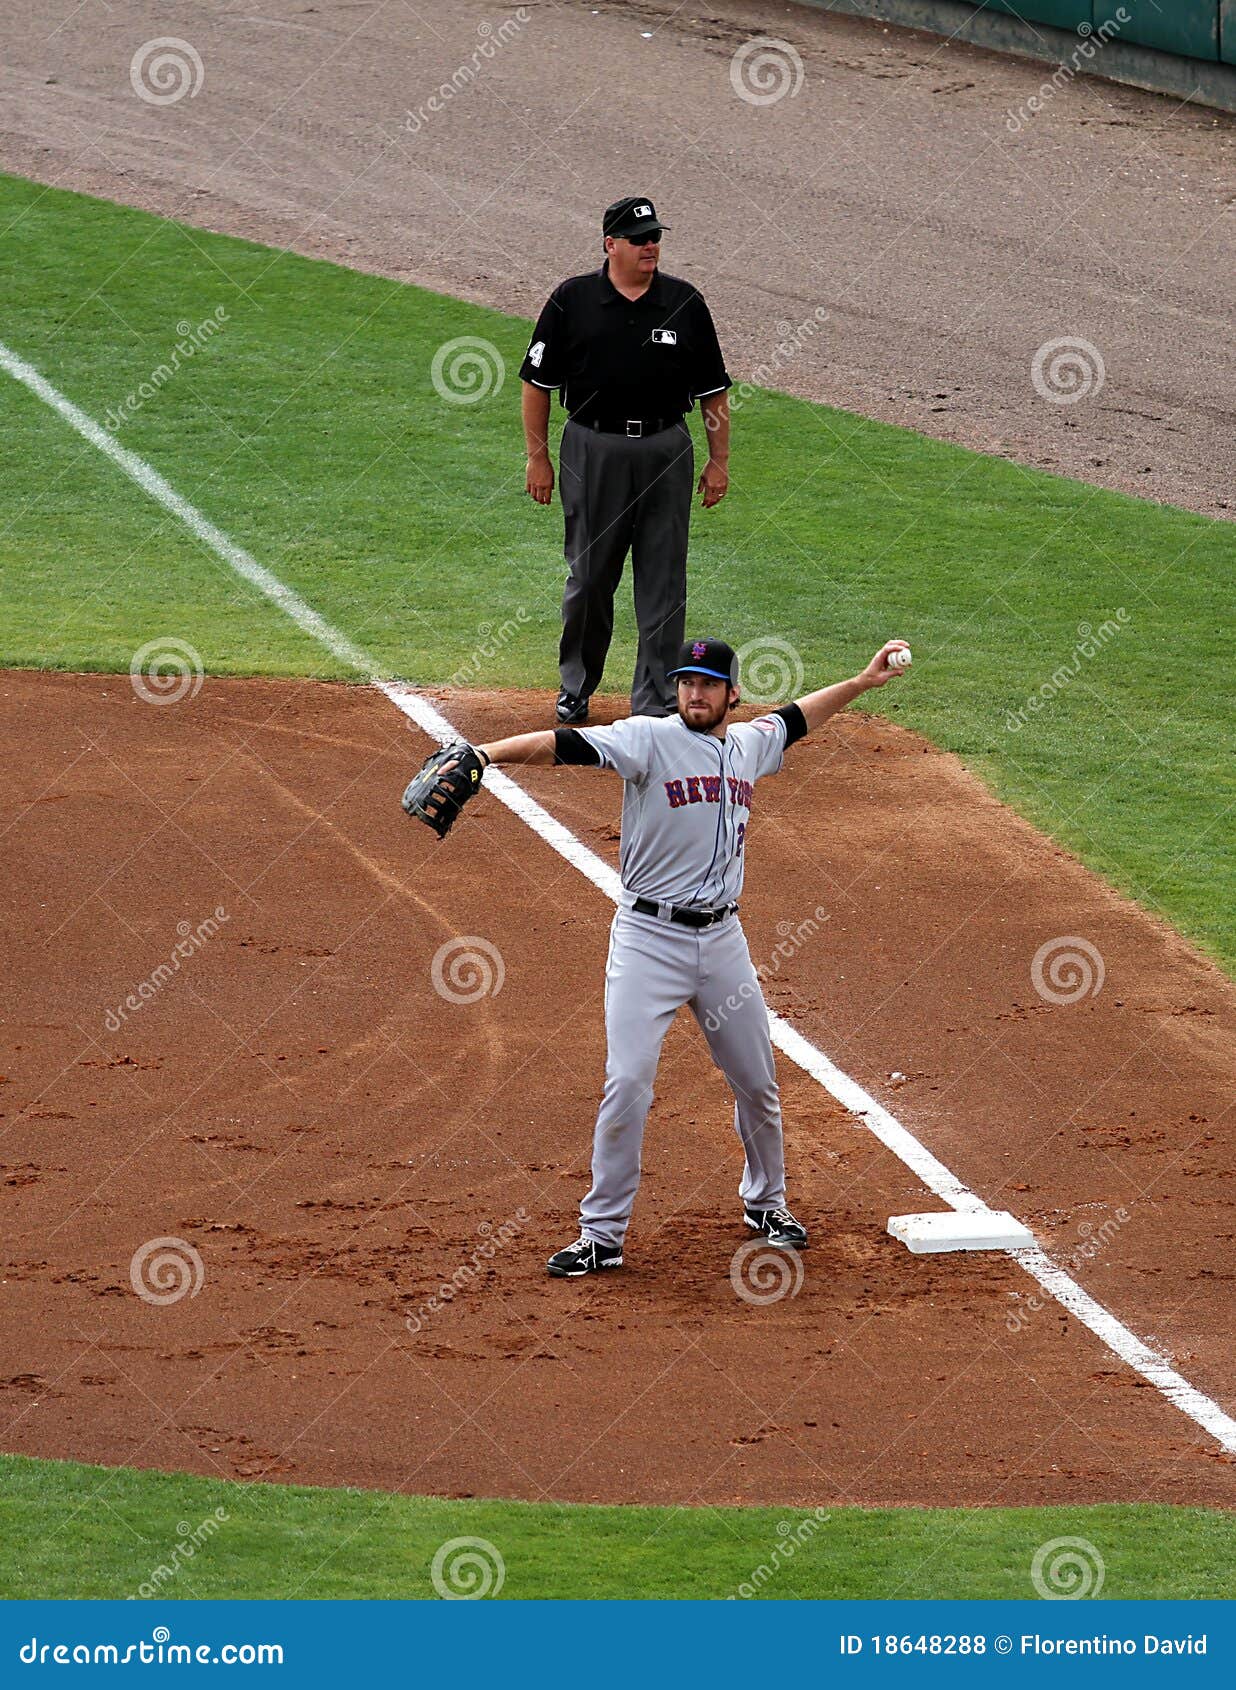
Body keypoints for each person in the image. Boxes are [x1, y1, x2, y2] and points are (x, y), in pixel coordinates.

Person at [421, 636, 912, 1277]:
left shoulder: (748, 746)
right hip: (648, 941)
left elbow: (796, 718)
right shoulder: (647, 739)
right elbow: (565, 746)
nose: (695, 693)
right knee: (627, 1085)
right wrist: (484, 755)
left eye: (708, 684)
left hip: (723, 944)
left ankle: (766, 1203)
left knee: (757, 1084)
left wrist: (860, 681)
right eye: (686, 682)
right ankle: (601, 1234)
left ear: (732, 693)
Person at [520, 196, 732, 726]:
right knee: (590, 576)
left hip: (667, 449)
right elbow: (535, 382)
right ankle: (577, 683)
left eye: (656, 237)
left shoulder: (685, 303)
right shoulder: (573, 300)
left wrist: (718, 460)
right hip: (593, 449)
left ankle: (657, 700)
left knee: (664, 581)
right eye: (639, 238)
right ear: (610, 243)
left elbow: (714, 393)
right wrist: (537, 457)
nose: (650, 246)